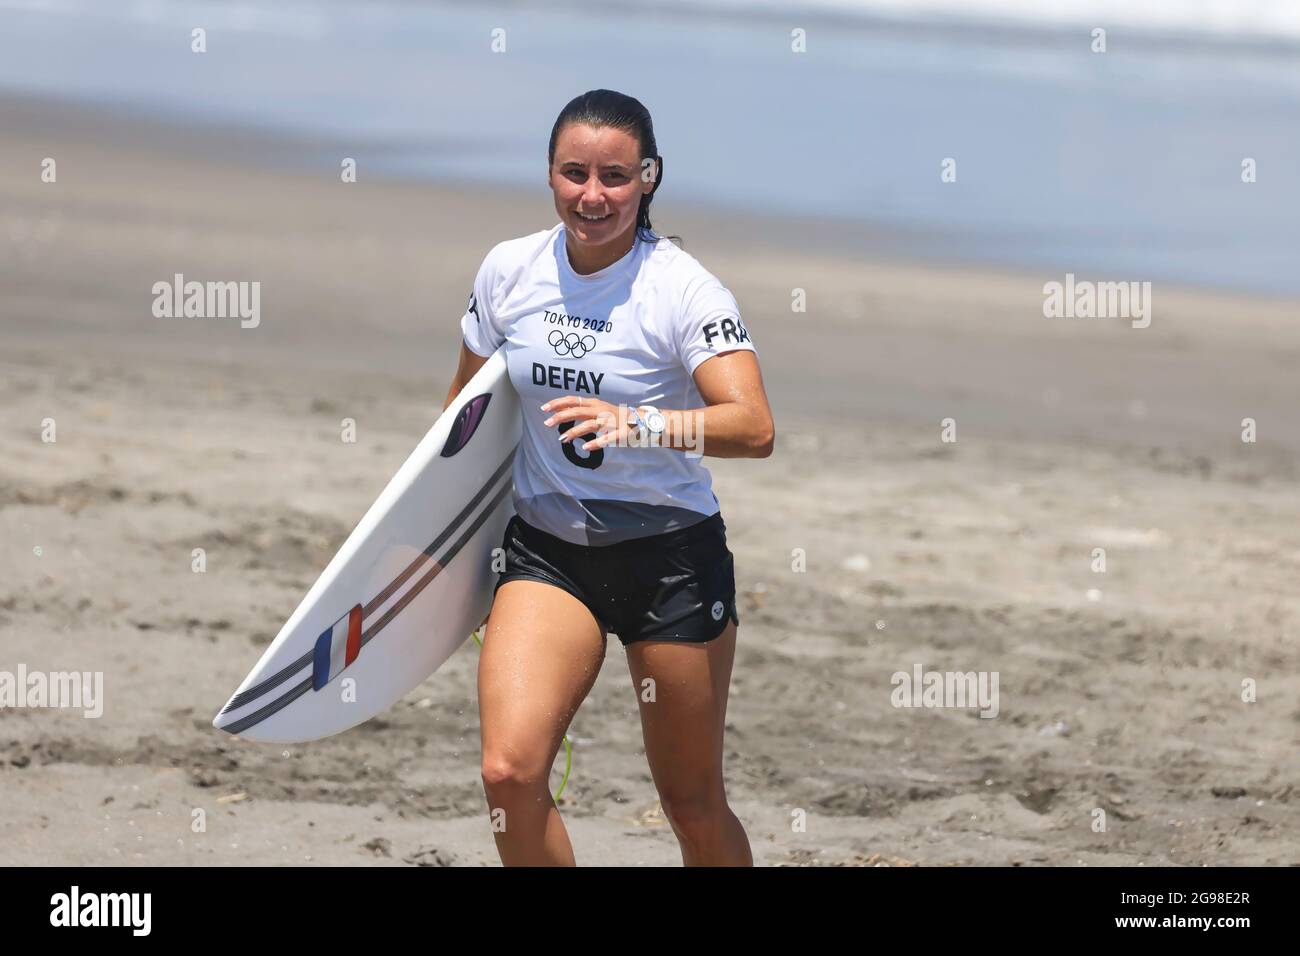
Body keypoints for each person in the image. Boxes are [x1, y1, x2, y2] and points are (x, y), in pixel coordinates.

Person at [442, 89, 775, 866]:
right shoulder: (509, 271)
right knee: (508, 772)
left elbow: (754, 426)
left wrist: (644, 423)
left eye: (617, 176)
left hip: (672, 562)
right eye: (575, 173)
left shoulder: (683, 290)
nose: (593, 195)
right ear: (550, 175)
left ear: (649, 177)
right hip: (548, 554)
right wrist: (446, 550)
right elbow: (463, 417)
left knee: (690, 806)